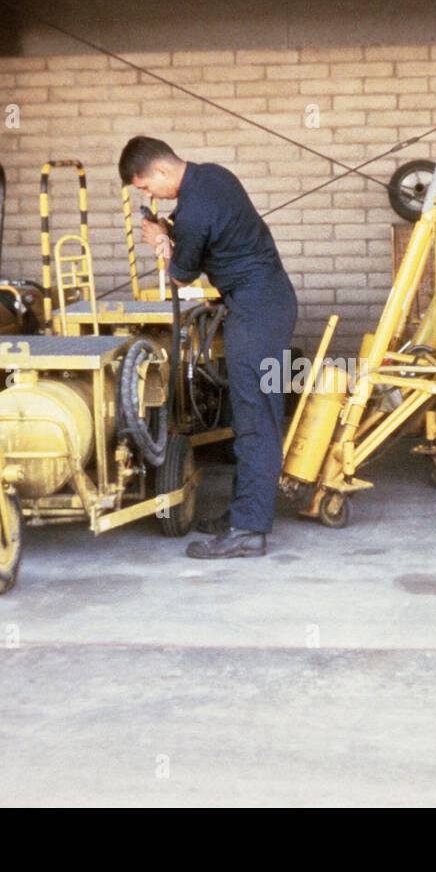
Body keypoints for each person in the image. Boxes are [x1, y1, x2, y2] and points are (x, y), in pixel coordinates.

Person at [118, 136, 298, 559]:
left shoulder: (195, 208)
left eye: (145, 187)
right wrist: (171, 231)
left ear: (161, 172)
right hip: (263, 303)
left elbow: (181, 276)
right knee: (247, 415)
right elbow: (207, 237)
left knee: (256, 419)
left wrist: (162, 243)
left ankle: (248, 530)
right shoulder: (213, 177)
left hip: (258, 311)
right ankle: (241, 513)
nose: (148, 195)